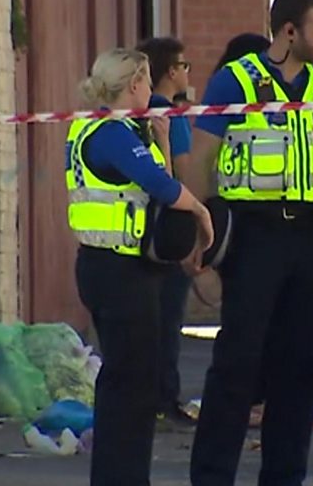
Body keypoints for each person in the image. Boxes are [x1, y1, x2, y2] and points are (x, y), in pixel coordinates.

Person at [186, 0, 313, 486]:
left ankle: (284, 477)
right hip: (254, 237)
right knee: (237, 366)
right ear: (288, 32)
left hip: (311, 241)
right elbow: (200, 165)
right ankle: (212, 476)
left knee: (301, 370)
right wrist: (205, 242)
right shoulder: (233, 84)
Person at [68, 48, 213, 486]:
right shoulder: (112, 132)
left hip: (114, 266)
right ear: (133, 85)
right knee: (128, 387)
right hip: (118, 272)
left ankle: (126, 476)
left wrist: (164, 139)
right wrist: (201, 213)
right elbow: (162, 187)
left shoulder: (109, 128)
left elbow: (156, 182)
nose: (152, 92)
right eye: (148, 83)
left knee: (134, 381)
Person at [135, 36, 199, 430]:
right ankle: (166, 401)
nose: (188, 72)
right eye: (185, 65)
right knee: (169, 318)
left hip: (136, 229)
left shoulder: (131, 113)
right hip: (169, 226)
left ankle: (146, 400)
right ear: (172, 71)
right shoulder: (170, 117)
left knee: (142, 321)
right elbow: (183, 169)